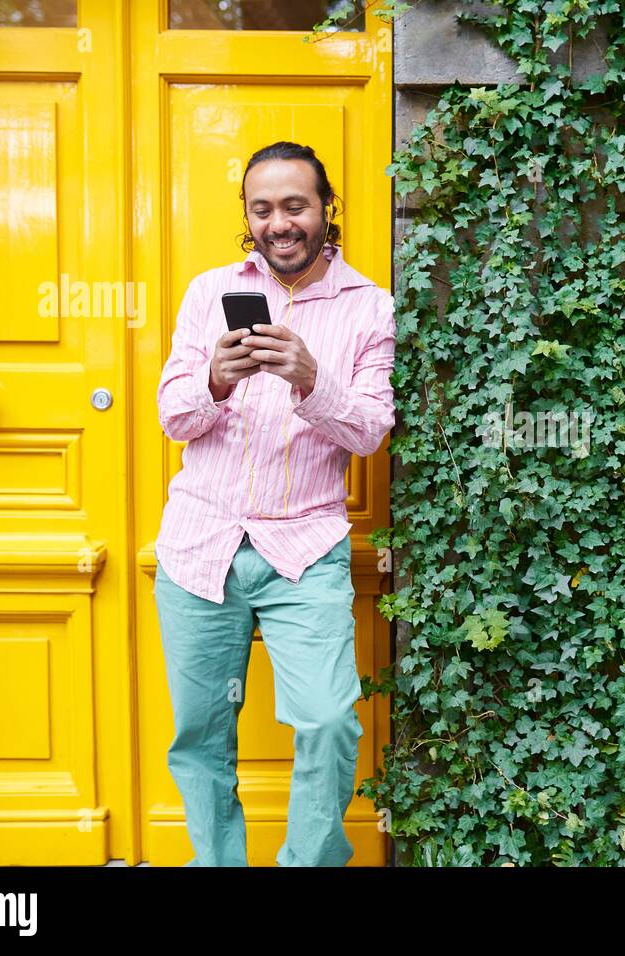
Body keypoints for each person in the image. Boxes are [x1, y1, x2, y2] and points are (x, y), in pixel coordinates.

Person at [152, 140, 396, 866]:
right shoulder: (207, 292)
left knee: (327, 721)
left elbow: (372, 430)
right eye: (263, 209)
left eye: (295, 206)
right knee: (201, 734)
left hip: (303, 549)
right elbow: (174, 416)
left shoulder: (368, 307)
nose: (279, 222)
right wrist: (215, 383)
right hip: (202, 545)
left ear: (326, 209)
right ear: (248, 217)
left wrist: (312, 380)